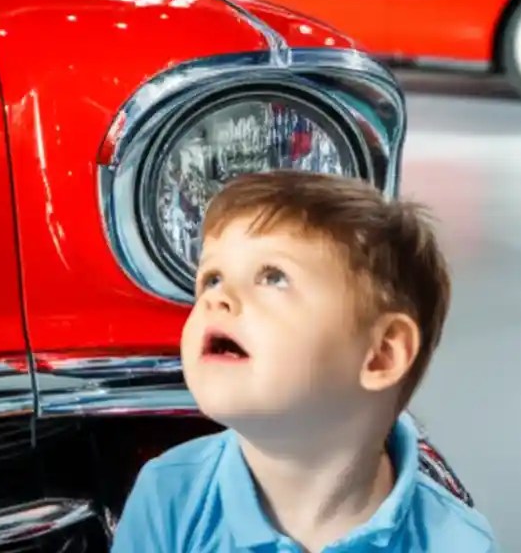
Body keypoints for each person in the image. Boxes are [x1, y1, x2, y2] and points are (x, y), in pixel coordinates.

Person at [111, 170, 498, 552]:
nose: (218, 298)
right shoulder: (169, 496)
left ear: (381, 354)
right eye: (212, 278)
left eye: (273, 277)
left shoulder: (456, 542)